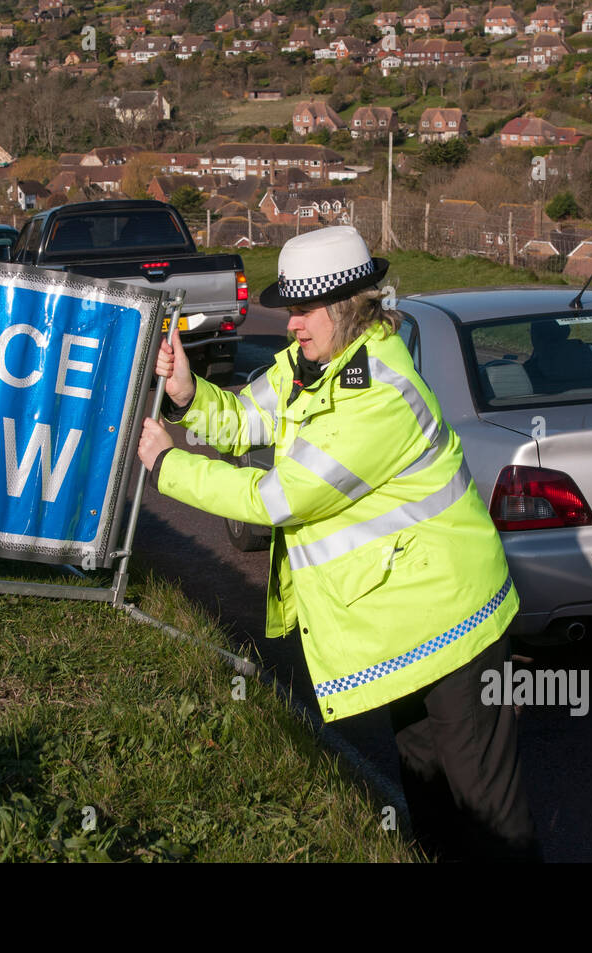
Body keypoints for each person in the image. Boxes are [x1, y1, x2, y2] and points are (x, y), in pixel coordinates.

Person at [136, 225, 540, 862]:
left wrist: (169, 466)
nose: (290, 324)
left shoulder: (376, 394)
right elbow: (246, 418)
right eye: (289, 309)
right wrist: (189, 396)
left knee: (489, 815)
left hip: (455, 621)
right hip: (404, 625)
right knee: (428, 794)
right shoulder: (313, 365)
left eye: (302, 310)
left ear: (348, 306)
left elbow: (278, 499)